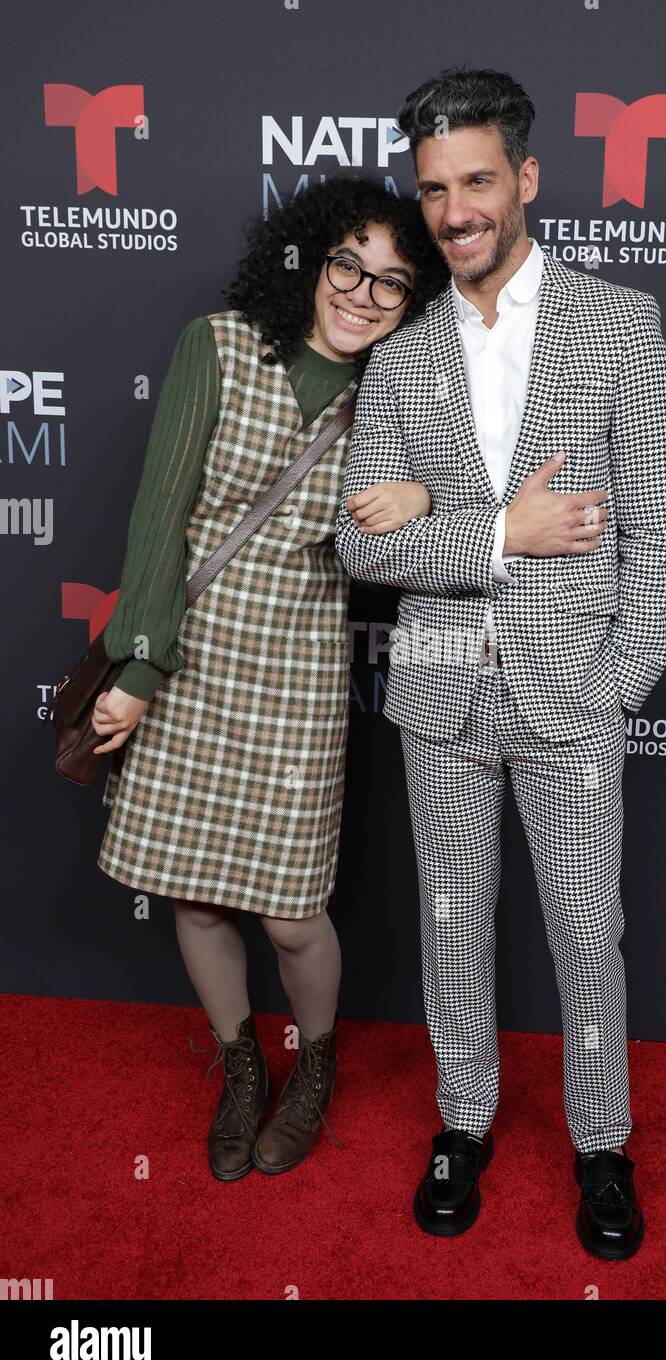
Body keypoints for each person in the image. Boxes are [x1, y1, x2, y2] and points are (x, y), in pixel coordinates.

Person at [337, 68, 666, 1258]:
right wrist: (497, 532)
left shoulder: (617, 323)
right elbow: (352, 538)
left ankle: (601, 1143)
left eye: (476, 181)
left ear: (525, 179)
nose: (453, 211)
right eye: (433, 190)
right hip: (437, 694)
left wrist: (622, 675)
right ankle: (463, 1121)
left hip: (571, 692)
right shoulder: (402, 347)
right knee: (452, 923)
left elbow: (655, 528)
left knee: (587, 931)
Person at [93, 176, 449, 1182]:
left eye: (393, 281)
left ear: (413, 301)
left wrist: (428, 489)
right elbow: (161, 518)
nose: (363, 294)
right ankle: (240, 1065)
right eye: (349, 263)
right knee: (197, 896)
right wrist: (142, 665)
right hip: (190, 659)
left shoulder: (399, 397)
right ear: (308, 258)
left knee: (291, 910)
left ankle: (315, 1063)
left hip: (298, 672)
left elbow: (472, 502)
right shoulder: (216, 344)